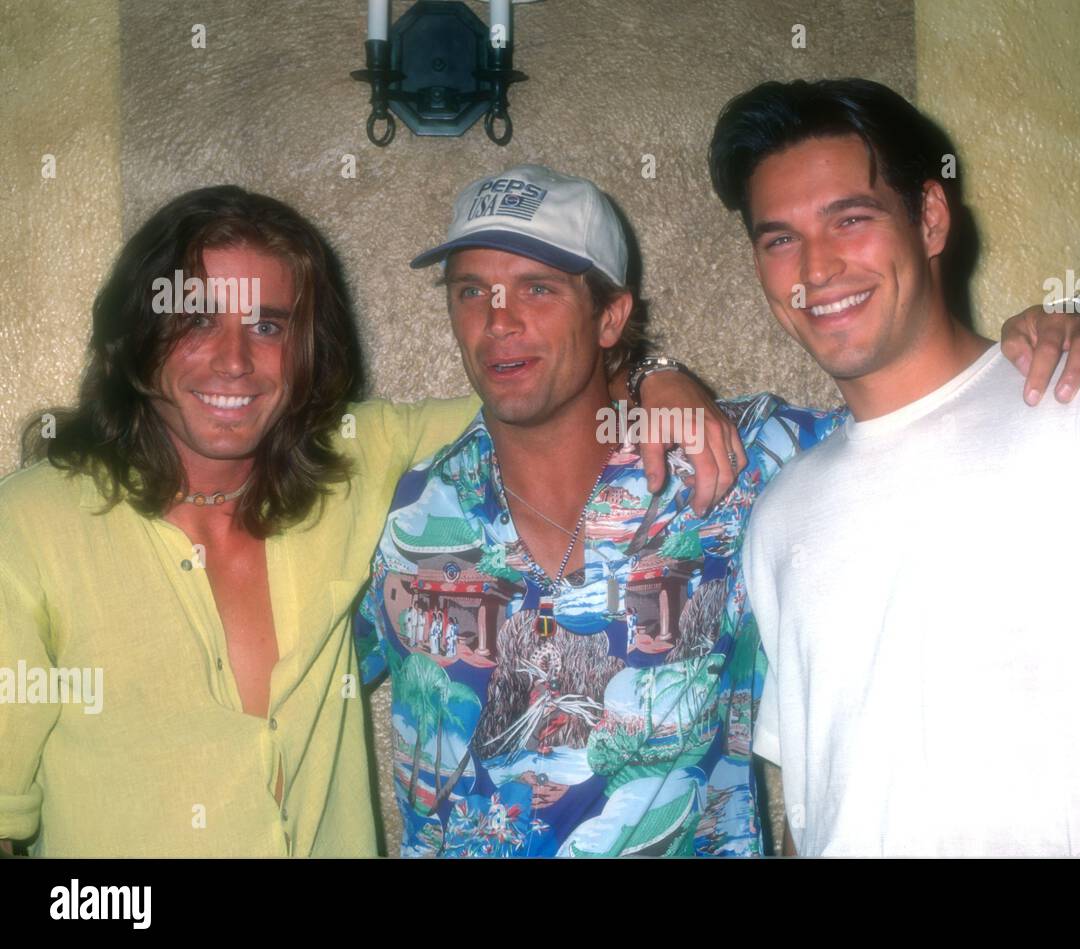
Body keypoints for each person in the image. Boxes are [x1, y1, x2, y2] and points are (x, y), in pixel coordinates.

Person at [354, 163, 1080, 857]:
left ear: (610, 316)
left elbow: (930, 419)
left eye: (536, 287)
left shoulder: (744, 459)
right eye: (472, 291)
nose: (499, 320)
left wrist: (1052, 342)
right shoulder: (402, 513)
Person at [0, 185, 741, 857]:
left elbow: (545, 401)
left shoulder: (355, 465)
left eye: (266, 325)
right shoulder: (32, 526)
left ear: (306, 348)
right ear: (136, 334)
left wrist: (651, 372)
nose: (233, 360)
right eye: (194, 319)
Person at [707, 78, 1080, 857]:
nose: (816, 266)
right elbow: (822, 797)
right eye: (780, 238)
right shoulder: (781, 511)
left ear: (932, 218)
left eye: (851, 217)